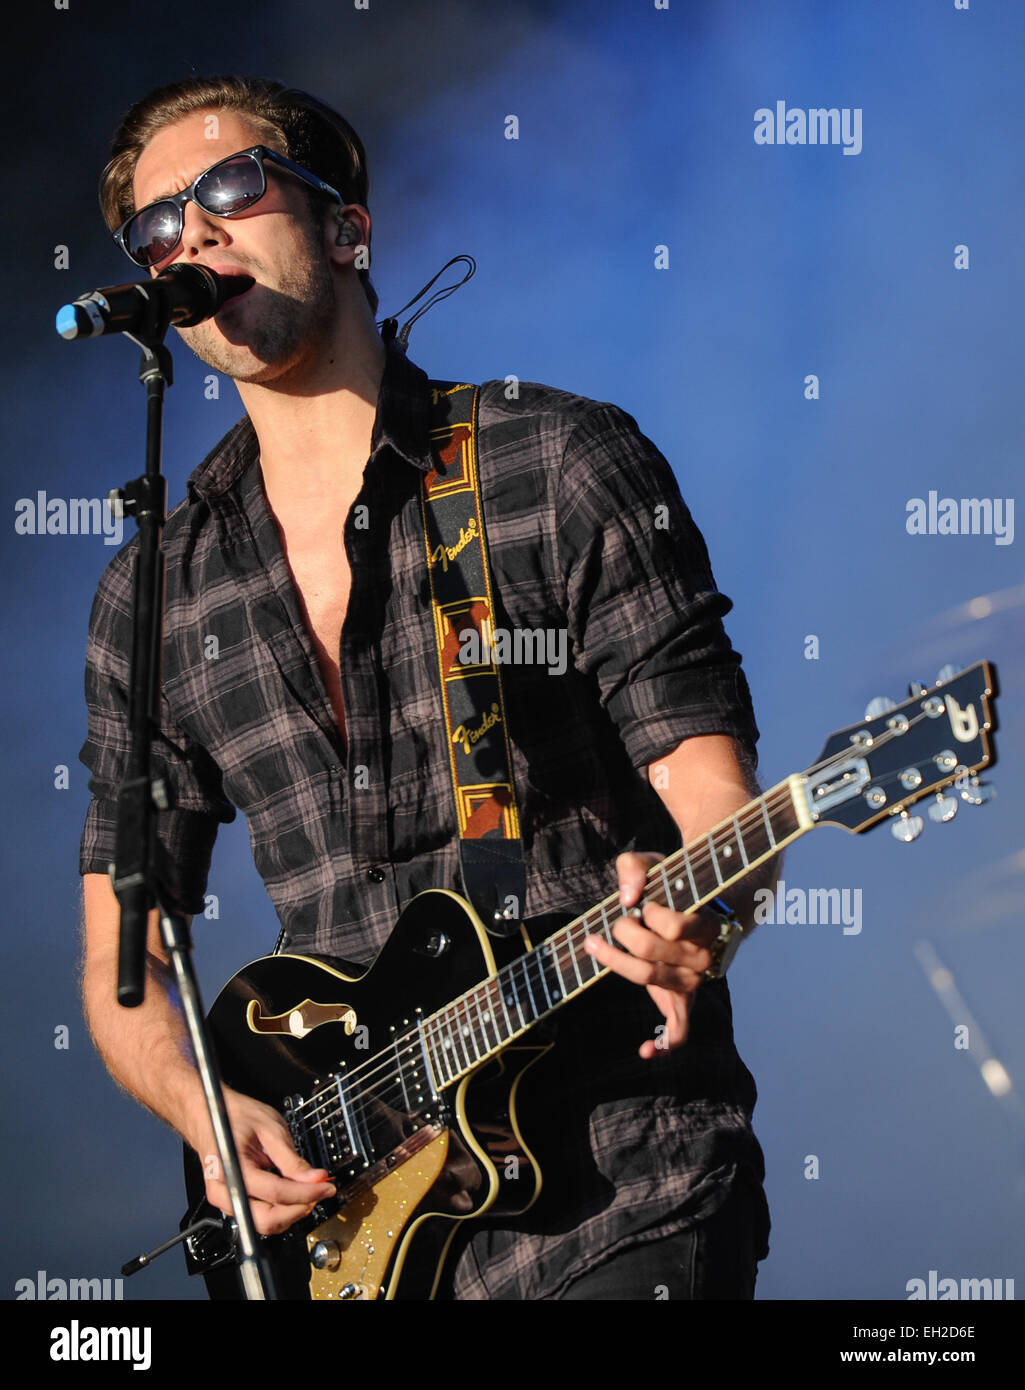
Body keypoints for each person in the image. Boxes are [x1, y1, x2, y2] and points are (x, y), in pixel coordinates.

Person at [79, 75, 778, 1300]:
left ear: (347, 228)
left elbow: (716, 797)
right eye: (155, 223)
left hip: (616, 1191)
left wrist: (699, 913)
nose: (191, 231)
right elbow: (121, 959)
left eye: (233, 186)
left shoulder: (553, 460)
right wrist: (204, 1110)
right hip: (351, 1238)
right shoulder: (156, 591)